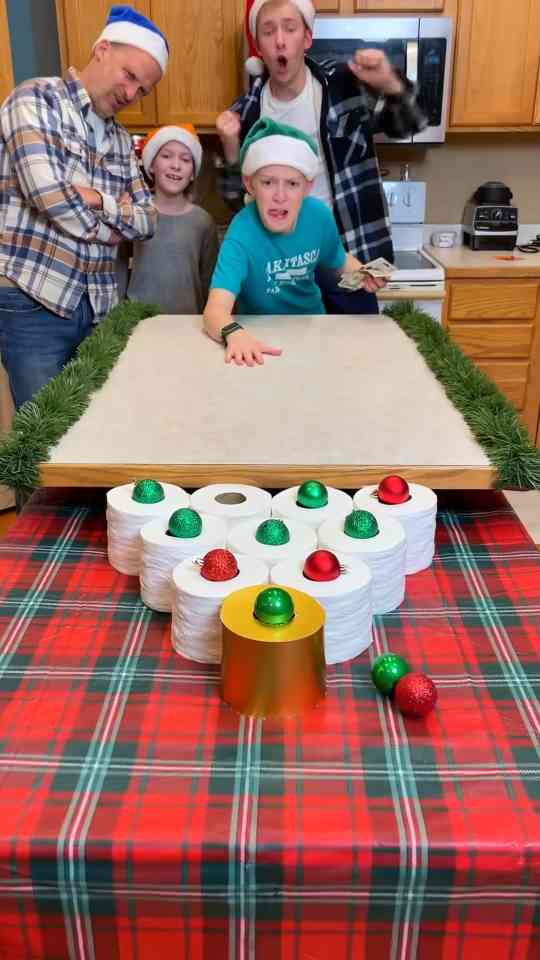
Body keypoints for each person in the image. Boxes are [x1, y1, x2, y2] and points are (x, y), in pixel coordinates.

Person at [0, 4, 169, 409]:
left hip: (98, 307)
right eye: (130, 76)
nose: (132, 94)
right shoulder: (35, 100)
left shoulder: (121, 139)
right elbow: (49, 196)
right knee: (46, 432)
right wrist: (115, 216)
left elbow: (148, 220)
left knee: (97, 426)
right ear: (102, 49)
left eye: (143, 90)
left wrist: (95, 199)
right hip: (32, 303)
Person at [215, 0, 426, 316]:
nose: (280, 41)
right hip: (283, 266)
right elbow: (237, 202)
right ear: (258, 46)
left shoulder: (343, 84)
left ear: (307, 38)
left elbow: (412, 124)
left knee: (355, 344)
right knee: (290, 346)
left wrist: (391, 84)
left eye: (290, 28)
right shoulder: (246, 113)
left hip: (349, 253)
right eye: (268, 32)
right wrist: (231, 148)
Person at [204, 118, 384, 367]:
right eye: (268, 182)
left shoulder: (319, 216)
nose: (280, 196)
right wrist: (234, 334)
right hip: (259, 337)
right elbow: (215, 310)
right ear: (250, 184)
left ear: (307, 187)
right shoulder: (241, 233)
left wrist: (364, 273)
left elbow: (340, 260)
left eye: (292, 184)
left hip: (315, 330)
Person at [126, 125, 219, 314]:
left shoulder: (203, 221)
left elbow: (210, 281)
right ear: (151, 165)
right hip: (139, 322)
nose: (176, 165)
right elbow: (118, 269)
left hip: (189, 322)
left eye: (185, 159)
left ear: (192, 173)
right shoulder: (133, 214)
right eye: (166, 156)